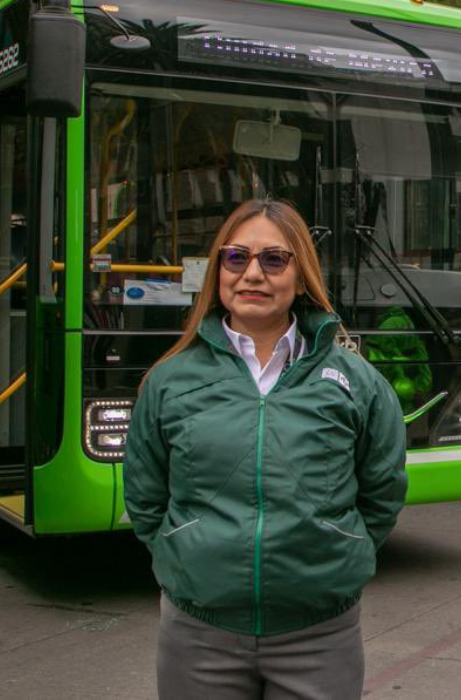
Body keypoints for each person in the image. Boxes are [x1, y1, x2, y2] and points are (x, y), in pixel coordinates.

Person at [124, 199, 408, 699]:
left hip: (320, 636)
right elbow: (146, 497)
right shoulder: (170, 381)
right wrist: (181, 548)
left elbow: (381, 492)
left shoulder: (356, 382)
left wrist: (341, 546)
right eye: (236, 257)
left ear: (301, 278)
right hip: (198, 634)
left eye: (274, 259)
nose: (252, 274)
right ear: (218, 272)